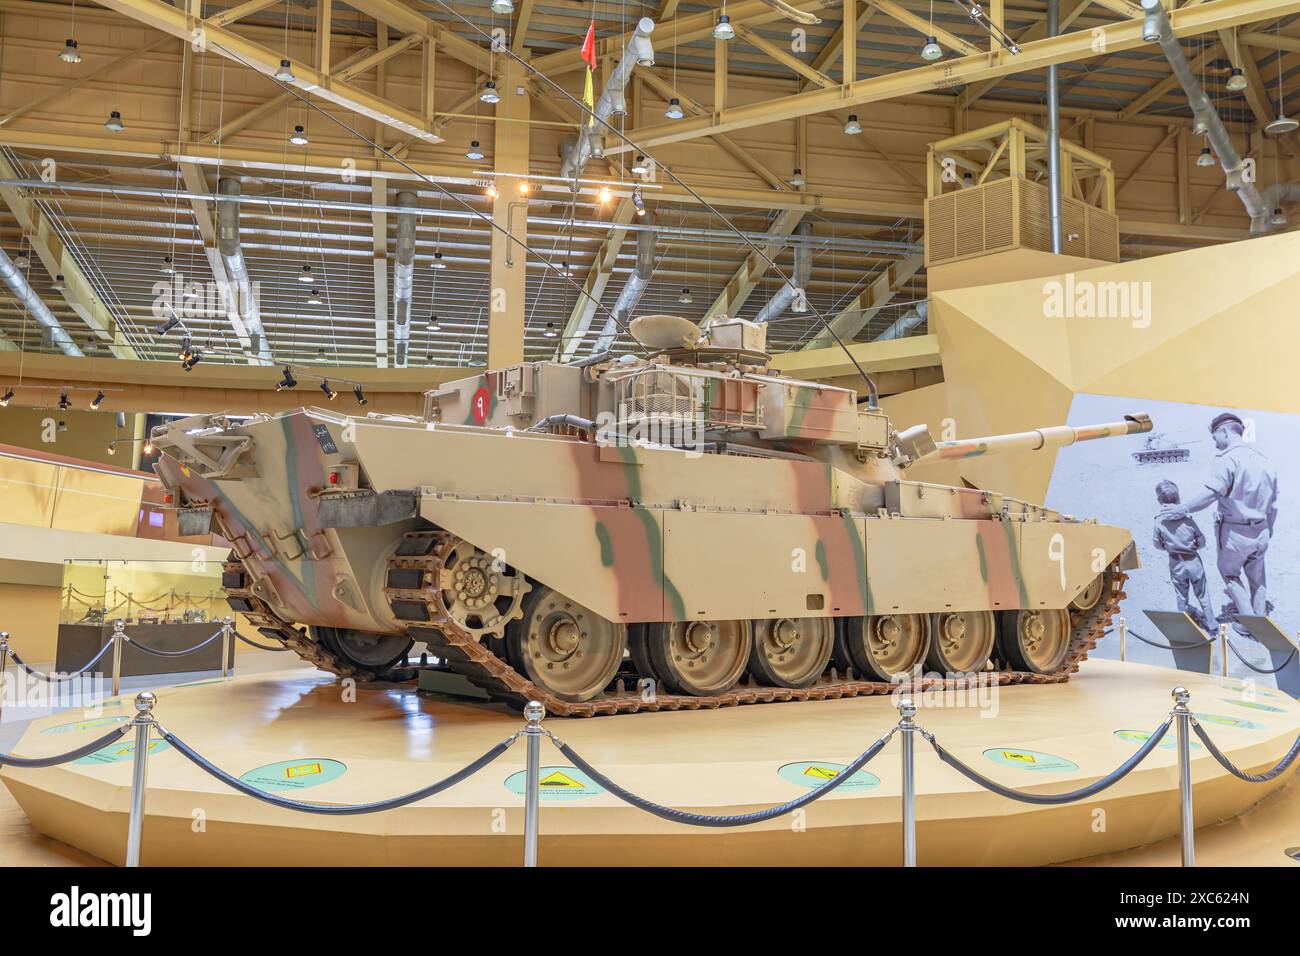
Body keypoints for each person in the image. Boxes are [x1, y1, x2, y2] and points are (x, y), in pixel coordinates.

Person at [1184, 412, 1279, 636]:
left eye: (1215, 436)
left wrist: (1183, 508)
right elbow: (1273, 505)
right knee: (1257, 577)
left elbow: (1210, 495)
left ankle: (1247, 625)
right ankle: (1261, 620)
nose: (1215, 442)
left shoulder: (1227, 459)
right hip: (1262, 528)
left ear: (1225, 431)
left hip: (1235, 531)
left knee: (1230, 574)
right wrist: (1267, 529)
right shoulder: (1264, 459)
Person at [1151, 480, 1213, 632]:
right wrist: (1193, 546)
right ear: (1178, 498)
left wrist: (1169, 547)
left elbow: (1157, 544)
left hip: (1175, 561)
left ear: (1159, 500)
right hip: (1193, 560)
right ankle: (1212, 623)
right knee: (1203, 593)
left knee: (1181, 595)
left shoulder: (1159, 522)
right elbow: (1202, 541)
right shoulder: (1187, 519)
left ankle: (1185, 625)